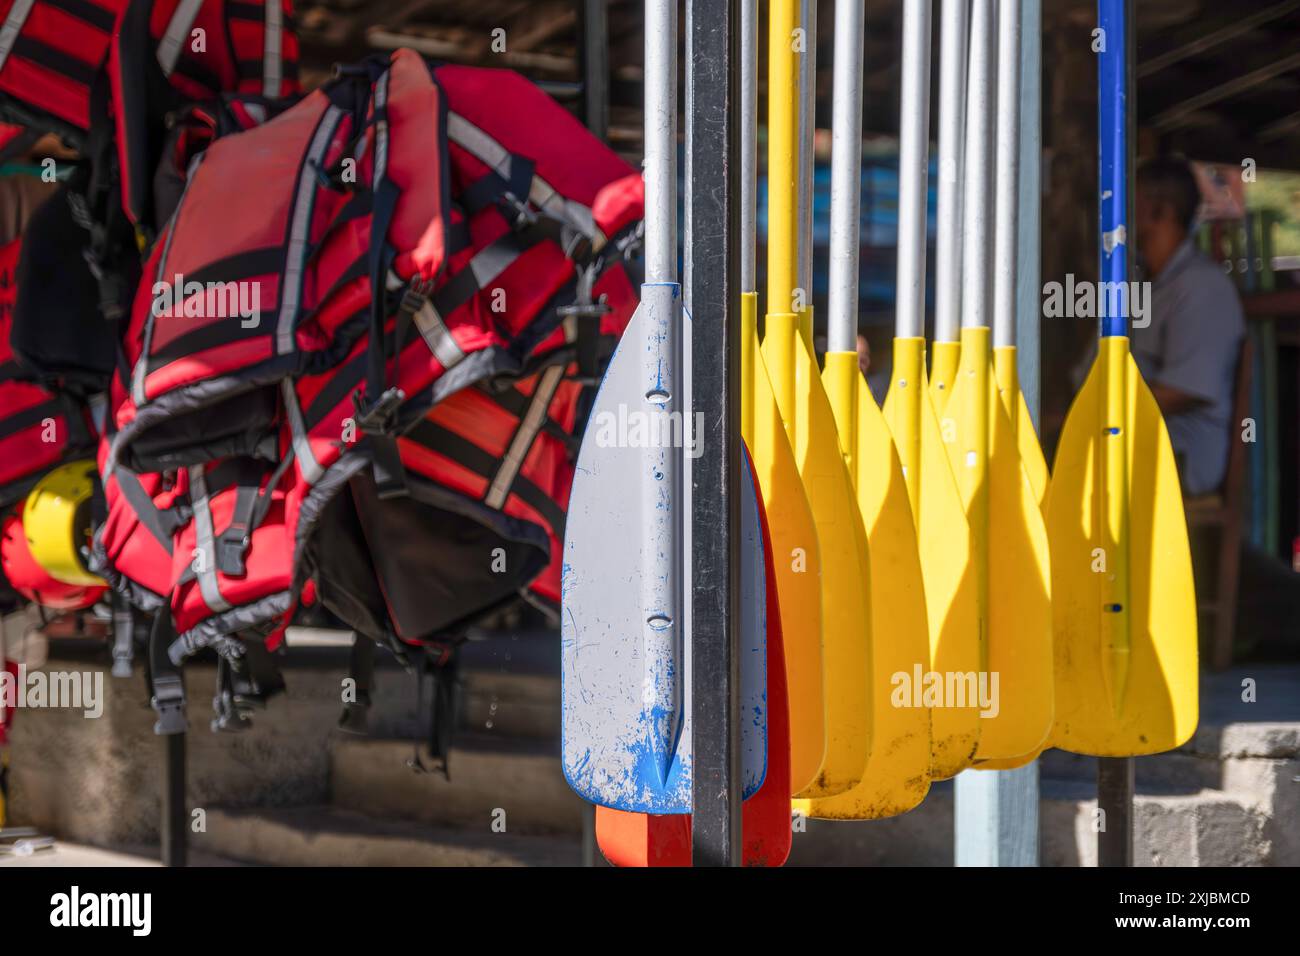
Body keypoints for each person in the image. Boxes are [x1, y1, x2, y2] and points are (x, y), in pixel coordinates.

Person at [1130, 156, 1246, 497]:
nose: (1115, 211)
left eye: (1129, 200)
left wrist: (1097, 410)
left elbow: (1183, 391)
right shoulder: (1144, 284)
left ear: (1160, 212)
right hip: (1131, 441)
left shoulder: (1201, 287)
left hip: (1178, 455)